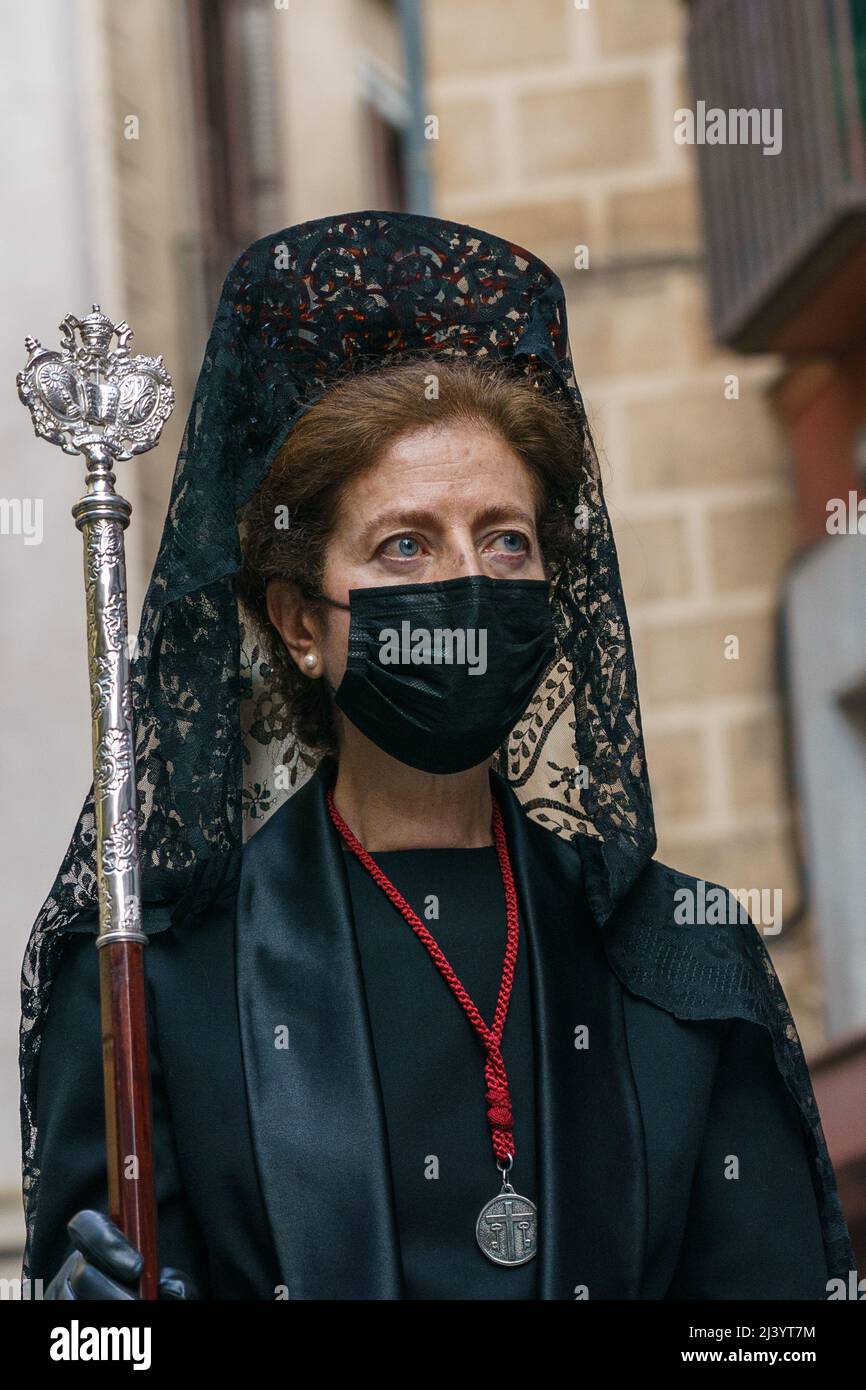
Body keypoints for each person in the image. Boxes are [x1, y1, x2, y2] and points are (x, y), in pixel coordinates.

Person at [22, 211, 854, 1301]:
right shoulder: (152, 981)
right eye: (404, 543)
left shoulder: (683, 962)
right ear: (298, 621)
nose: (467, 582)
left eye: (503, 539)